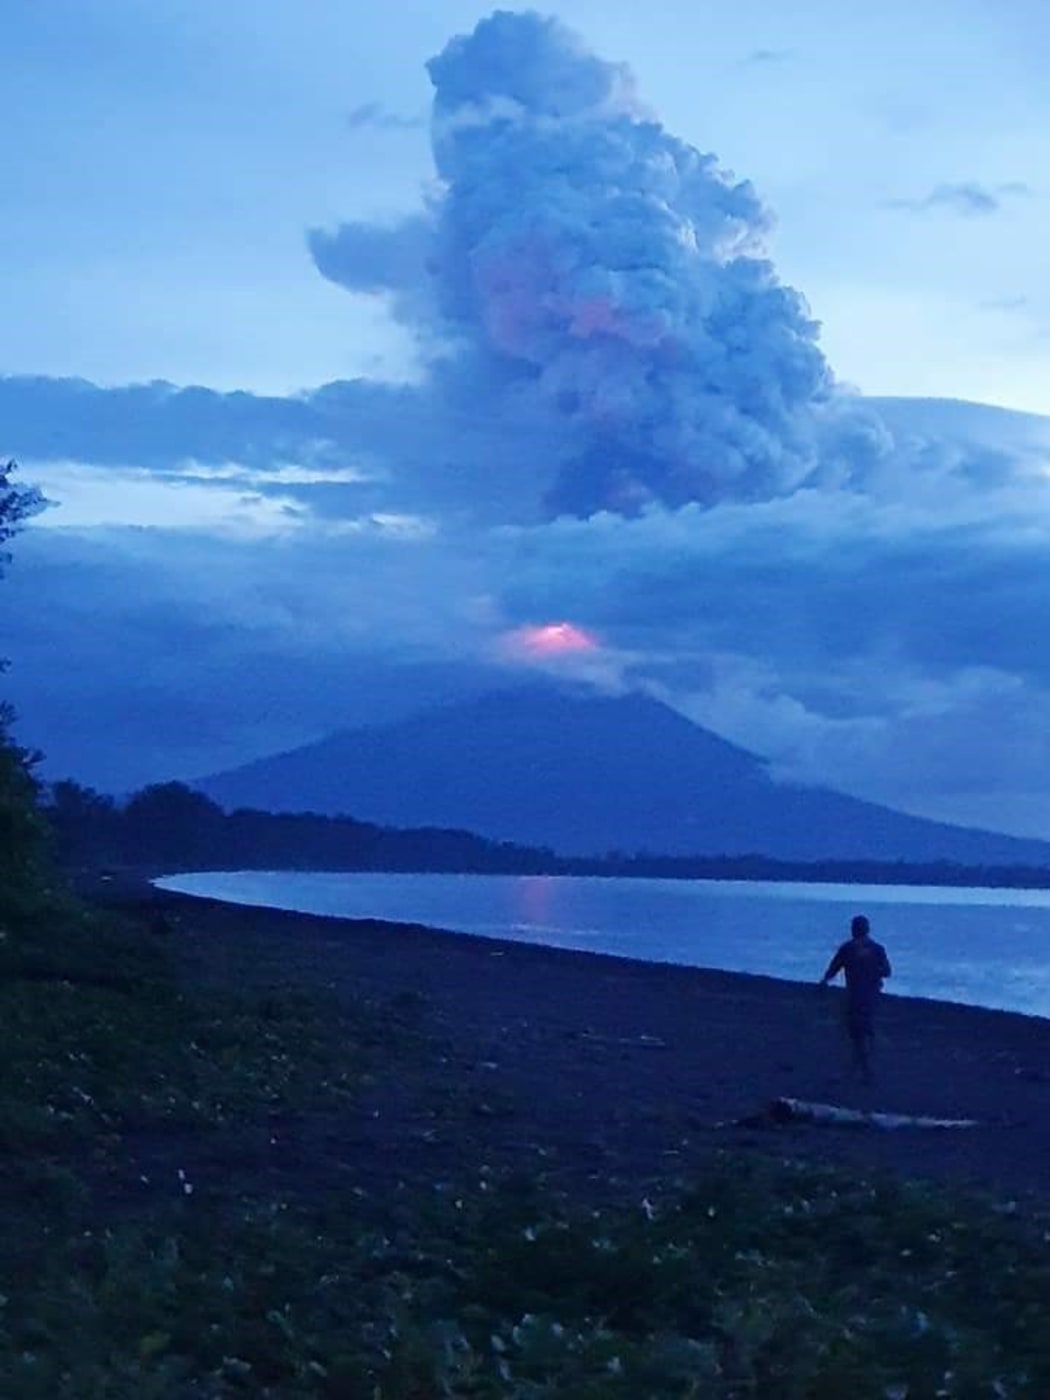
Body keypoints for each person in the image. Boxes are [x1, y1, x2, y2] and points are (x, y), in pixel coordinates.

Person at [819, 914, 892, 1084]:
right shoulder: (877, 949)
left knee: (855, 1032)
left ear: (854, 930)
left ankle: (861, 1070)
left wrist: (824, 982)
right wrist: (873, 971)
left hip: (854, 995)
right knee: (863, 1031)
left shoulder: (848, 948)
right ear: (867, 929)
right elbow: (887, 972)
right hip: (871, 996)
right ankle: (863, 1069)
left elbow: (834, 968)